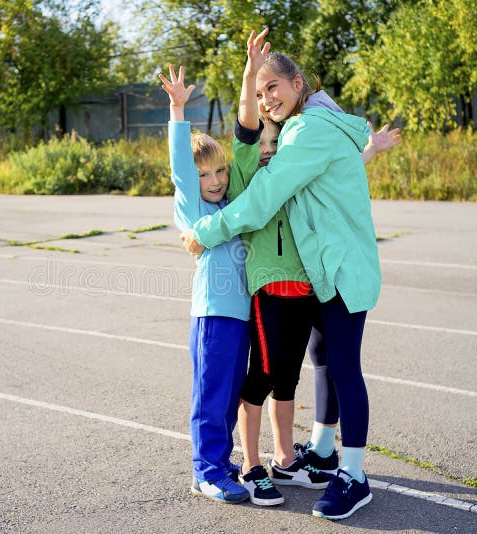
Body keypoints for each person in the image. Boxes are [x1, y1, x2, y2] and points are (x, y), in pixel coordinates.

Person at [181, 31, 387, 520]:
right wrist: (250, 77)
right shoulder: (315, 125)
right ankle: (319, 454)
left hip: (336, 272)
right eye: (260, 91)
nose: (268, 98)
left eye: (275, 87)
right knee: (317, 365)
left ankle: (353, 477)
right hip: (321, 274)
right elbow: (250, 141)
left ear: (298, 84)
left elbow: (263, 197)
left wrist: (207, 231)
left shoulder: (308, 131)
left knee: (341, 368)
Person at [159, 63, 262, 504]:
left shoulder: (230, 202)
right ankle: (207, 472)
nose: (215, 180)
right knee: (211, 397)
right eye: (205, 175)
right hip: (213, 316)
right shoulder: (193, 211)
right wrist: (178, 110)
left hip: (240, 317)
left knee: (229, 396)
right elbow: (182, 165)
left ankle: (221, 462)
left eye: (219, 171)